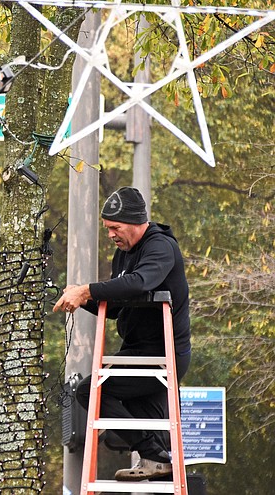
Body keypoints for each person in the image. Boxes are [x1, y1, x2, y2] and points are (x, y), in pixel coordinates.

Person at [53, 186, 191, 481]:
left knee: (90, 391)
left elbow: (140, 283)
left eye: (115, 227)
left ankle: (154, 455)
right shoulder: (123, 254)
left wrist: (86, 290)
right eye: (107, 229)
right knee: (114, 400)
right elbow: (115, 308)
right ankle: (157, 457)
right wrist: (80, 298)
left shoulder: (160, 246)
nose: (112, 235)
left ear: (135, 222)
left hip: (164, 353)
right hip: (136, 352)